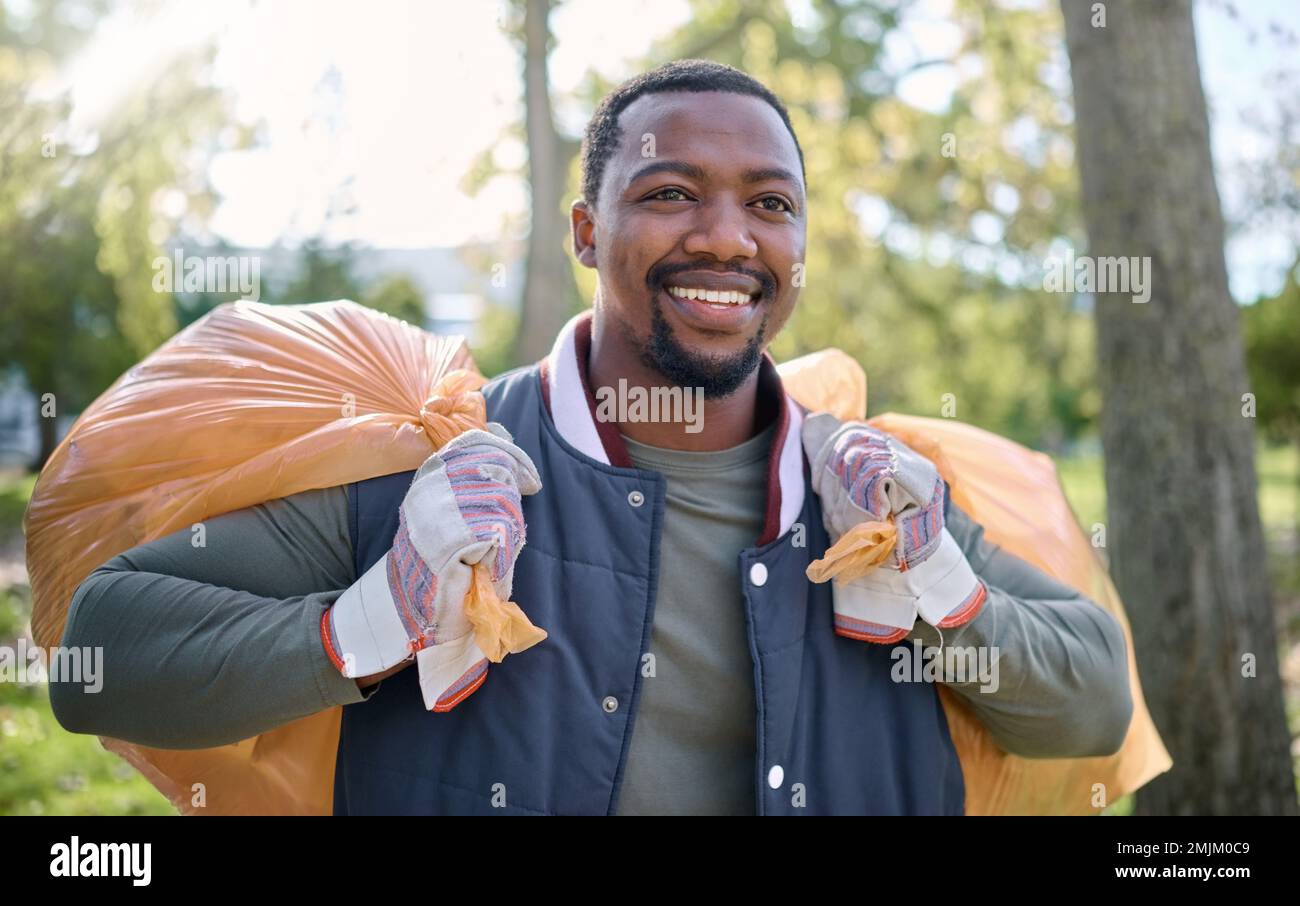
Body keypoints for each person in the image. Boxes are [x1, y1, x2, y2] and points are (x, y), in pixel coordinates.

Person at [50, 59, 1131, 816]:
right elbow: (103, 662)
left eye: (770, 204)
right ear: (584, 231)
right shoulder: (435, 474)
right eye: (670, 193)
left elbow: (1091, 705)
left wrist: (938, 575)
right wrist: (381, 614)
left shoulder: (876, 495)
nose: (725, 237)